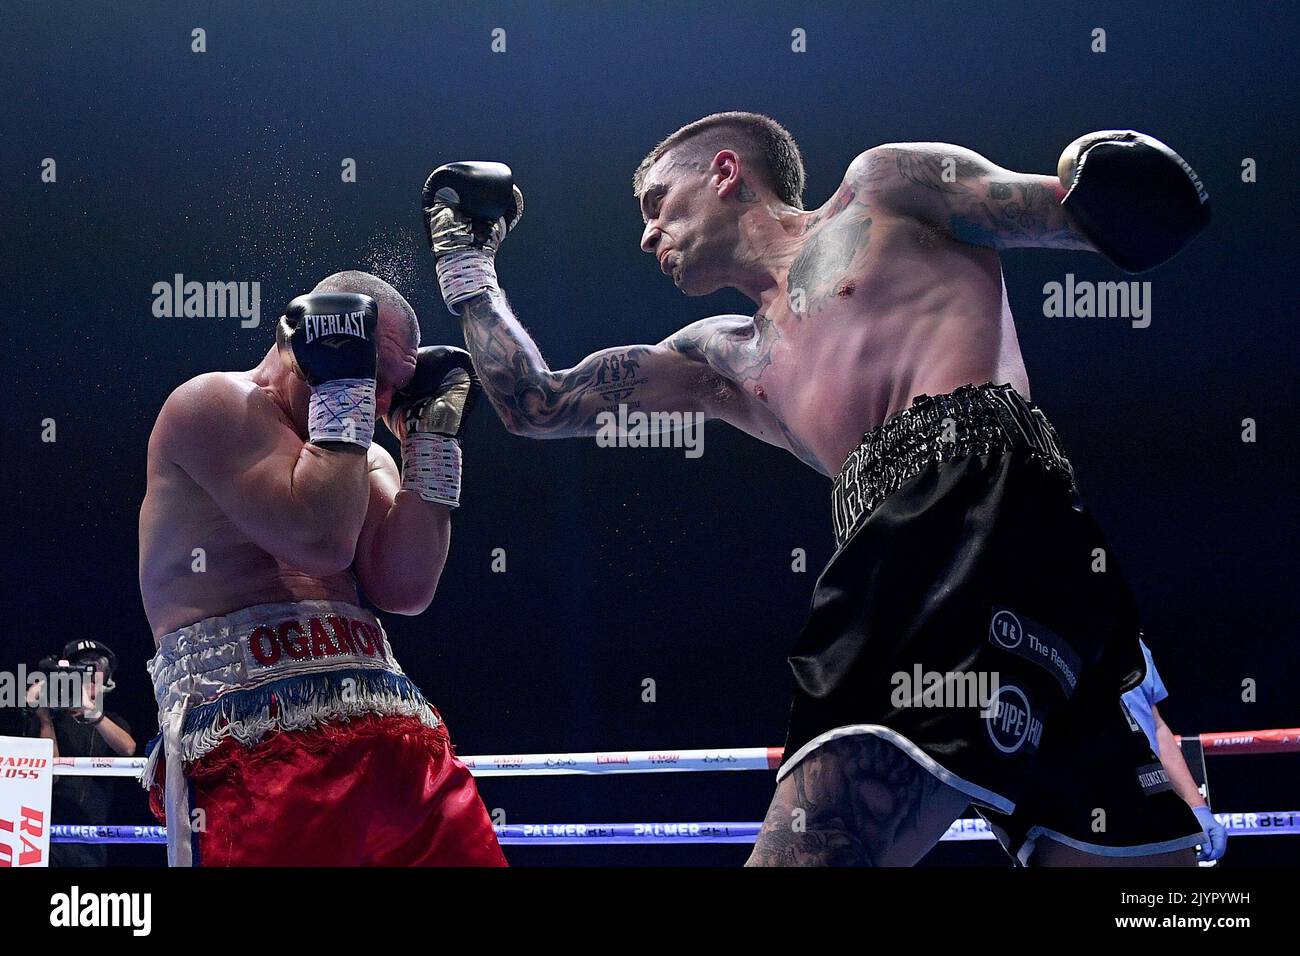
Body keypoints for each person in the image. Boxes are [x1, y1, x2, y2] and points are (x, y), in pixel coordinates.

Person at [421, 114, 1210, 866]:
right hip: (996, 555)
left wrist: (1112, 184)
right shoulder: (726, 357)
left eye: (658, 205)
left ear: (725, 171)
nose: (646, 234)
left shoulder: (885, 188)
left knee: (818, 843)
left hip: (966, 514)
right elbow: (539, 404)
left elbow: (1084, 215)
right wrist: (468, 262)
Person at [138, 270, 505, 866]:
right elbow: (320, 540)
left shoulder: (364, 455)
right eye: (368, 377)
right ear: (303, 347)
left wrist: (432, 445)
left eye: (394, 388)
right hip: (258, 745)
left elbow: (406, 587)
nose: (381, 404)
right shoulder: (212, 403)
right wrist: (345, 395)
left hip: (400, 742)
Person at [22, 640, 136, 867]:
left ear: (107, 678)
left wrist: (93, 714)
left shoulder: (113, 722)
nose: (89, 674)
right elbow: (49, 775)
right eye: (82, 668)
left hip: (91, 841)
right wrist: (44, 718)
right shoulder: (52, 718)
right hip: (44, 836)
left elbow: (128, 749)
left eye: (96, 669)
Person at [1120, 637, 1228, 863]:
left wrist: (1197, 807)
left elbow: (1157, 726)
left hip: (1156, 805)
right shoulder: (1062, 634)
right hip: (1089, 810)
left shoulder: (1135, 645)